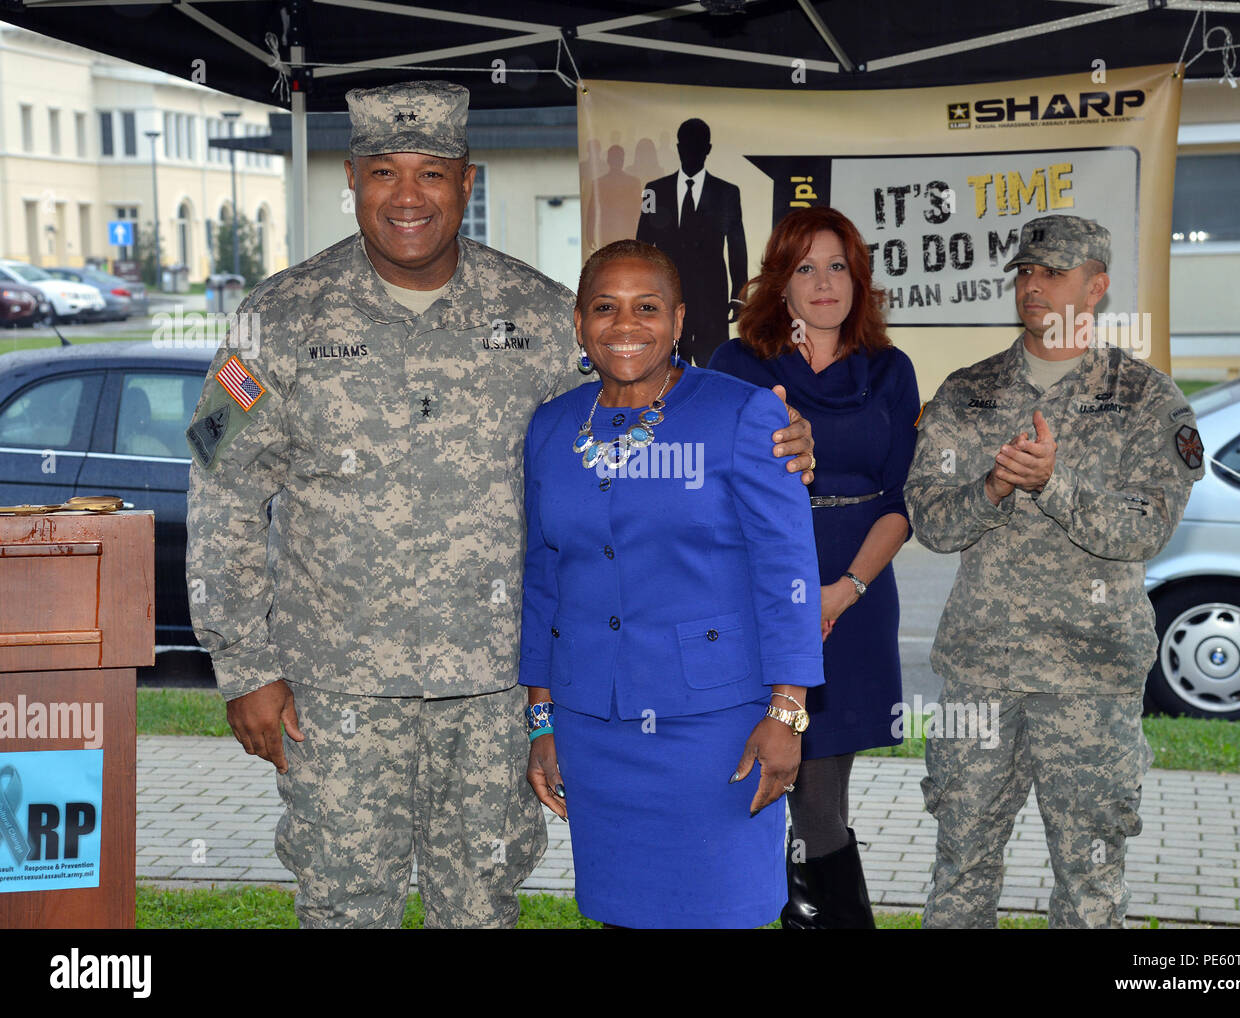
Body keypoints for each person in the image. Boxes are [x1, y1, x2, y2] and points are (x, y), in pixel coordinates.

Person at [184, 81, 817, 929]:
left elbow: (643, 404)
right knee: (340, 905)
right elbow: (220, 492)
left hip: (492, 697)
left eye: (433, 174)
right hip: (333, 692)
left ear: (467, 184)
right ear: (351, 178)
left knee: (481, 908)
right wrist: (243, 666)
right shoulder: (274, 319)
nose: (408, 196)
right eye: (384, 173)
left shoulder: (543, 315)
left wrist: (774, 434)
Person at [904, 214, 1203, 928]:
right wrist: (994, 490)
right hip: (984, 671)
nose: (1033, 286)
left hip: (1091, 679)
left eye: (1054, 273)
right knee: (961, 867)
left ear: (1096, 288)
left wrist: (1051, 482)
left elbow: (1147, 528)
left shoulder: (1147, 400)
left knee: (1089, 883)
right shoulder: (967, 392)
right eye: (1025, 273)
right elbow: (929, 520)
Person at [520, 239, 824, 929]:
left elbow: (788, 576)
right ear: (578, 322)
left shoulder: (746, 416)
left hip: (717, 730)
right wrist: (542, 715)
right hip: (594, 727)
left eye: (647, 307)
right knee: (622, 916)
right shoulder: (551, 426)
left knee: (719, 913)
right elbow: (545, 579)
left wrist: (787, 712)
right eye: (605, 307)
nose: (625, 326)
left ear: (680, 319)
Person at [710, 206, 919, 928]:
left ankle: (821, 916)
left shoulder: (890, 369)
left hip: (854, 601)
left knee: (821, 796)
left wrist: (847, 589)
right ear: (780, 283)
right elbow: (710, 488)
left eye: (838, 265)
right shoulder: (738, 365)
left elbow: (901, 499)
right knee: (764, 783)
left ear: (858, 279)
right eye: (804, 267)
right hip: (761, 593)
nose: (823, 282)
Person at [636, 118, 747, 367]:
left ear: (708, 149)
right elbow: (642, 247)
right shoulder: (654, 190)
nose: (691, 151)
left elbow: (737, 246)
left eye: (698, 146)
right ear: (678, 148)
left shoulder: (727, 193)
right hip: (668, 299)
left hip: (713, 301)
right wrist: (641, 294)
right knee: (668, 373)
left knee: (716, 373)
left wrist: (739, 295)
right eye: (687, 145)